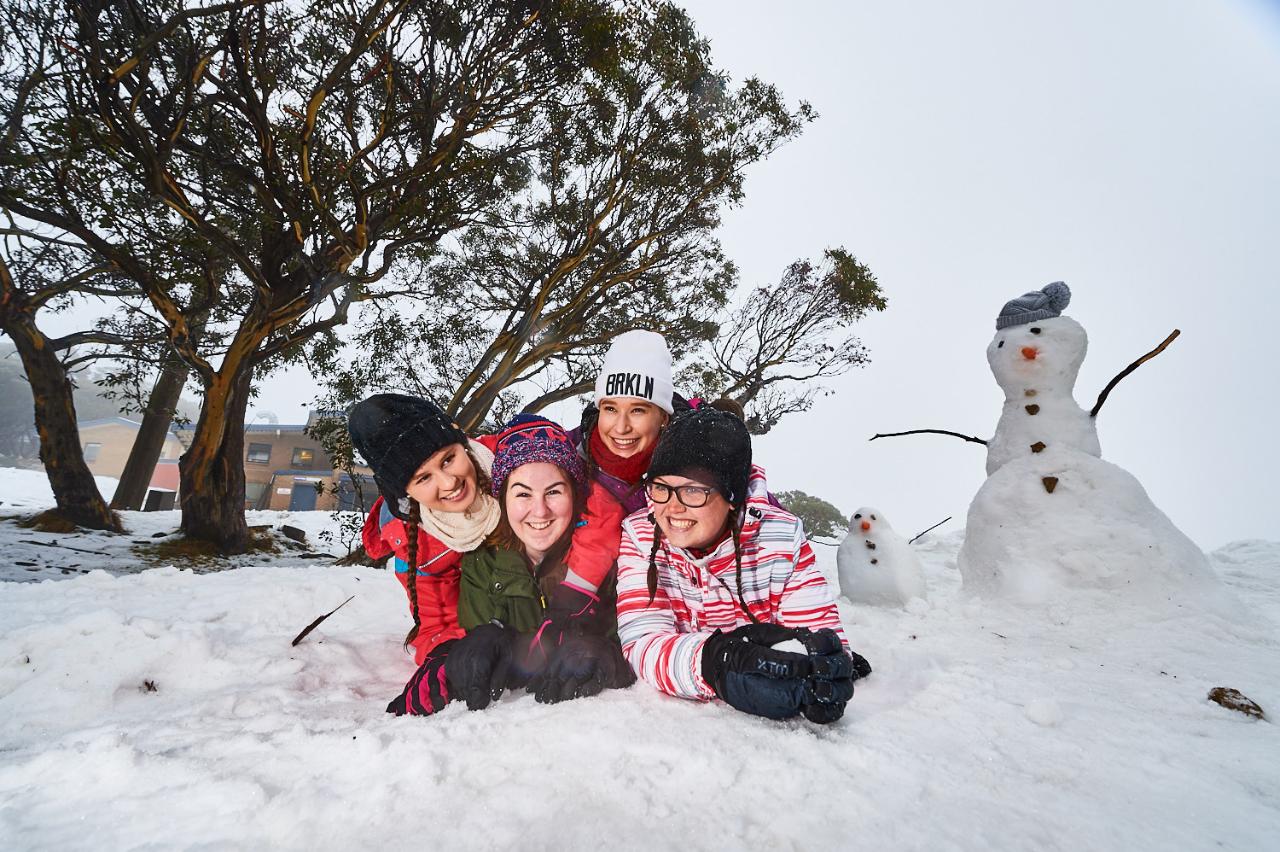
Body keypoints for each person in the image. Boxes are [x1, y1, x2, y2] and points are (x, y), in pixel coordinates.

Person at [347, 395, 622, 715]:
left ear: (462, 442)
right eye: (424, 478)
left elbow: (596, 503)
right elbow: (436, 617)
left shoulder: (512, 453)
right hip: (499, 604)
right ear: (405, 491)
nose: (449, 482)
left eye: (448, 459)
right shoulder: (417, 542)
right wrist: (446, 653)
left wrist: (576, 597)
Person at [615, 407, 871, 723]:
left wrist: (821, 672)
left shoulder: (780, 538)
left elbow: (821, 638)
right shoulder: (641, 534)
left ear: (732, 495)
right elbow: (643, 643)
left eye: (694, 490)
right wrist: (715, 662)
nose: (672, 506)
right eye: (661, 487)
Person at [442, 414, 635, 710]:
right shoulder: (482, 563)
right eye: (522, 494)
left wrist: (607, 653)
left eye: (554, 492)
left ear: (574, 494)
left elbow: (645, 639)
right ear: (503, 498)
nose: (540, 511)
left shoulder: (613, 560)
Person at [570, 330, 681, 515]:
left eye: (637, 410)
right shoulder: (565, 452)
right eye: (610, 409)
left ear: (663, 418)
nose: (621, 428)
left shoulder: (691, 468)